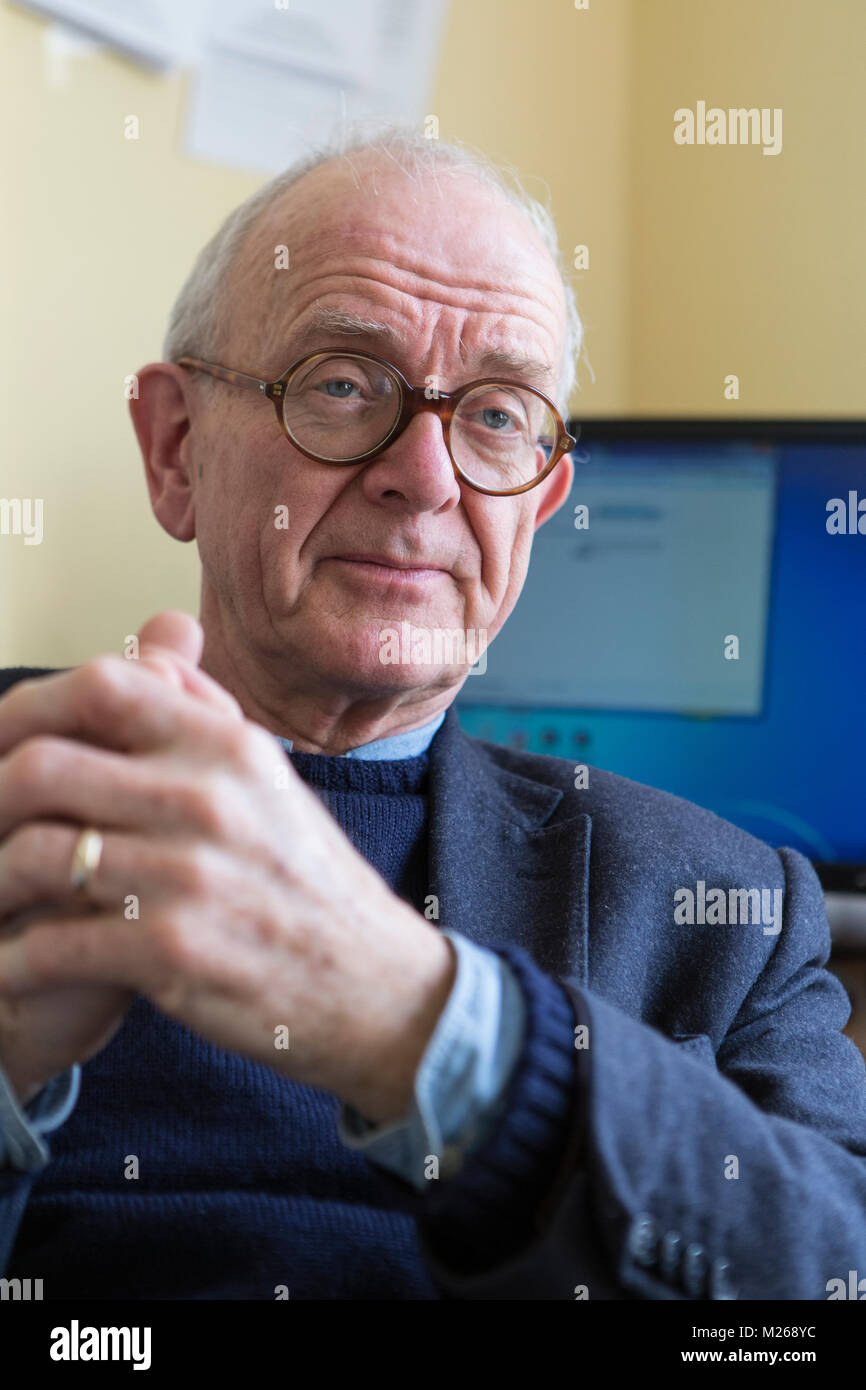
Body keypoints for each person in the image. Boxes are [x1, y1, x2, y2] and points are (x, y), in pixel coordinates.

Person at [0, 127, 864, 1302]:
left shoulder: (725, 911)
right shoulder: (23, 797)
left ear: (543, 501)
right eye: (343, 384)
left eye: (497, 414)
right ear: (176, 450)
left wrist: (426, 1025)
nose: (428, 474)